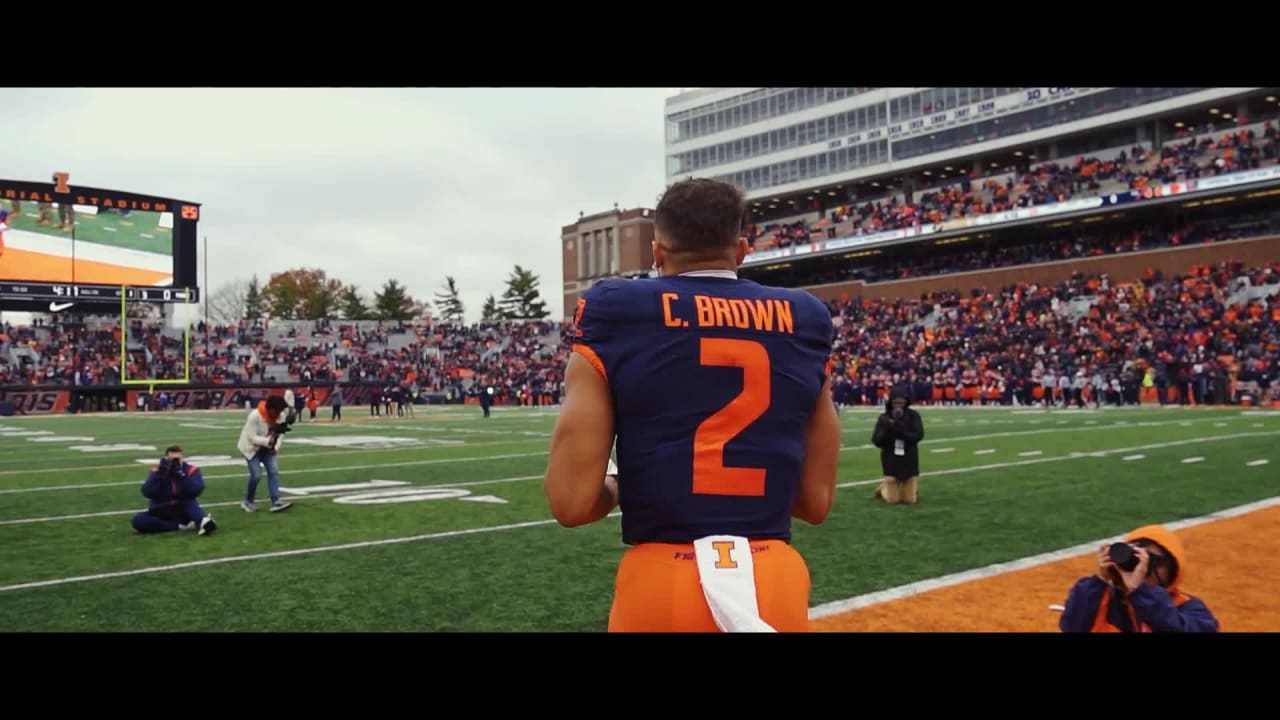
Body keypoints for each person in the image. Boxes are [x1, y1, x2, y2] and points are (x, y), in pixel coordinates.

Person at [543, 177, 841, 633]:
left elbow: (572, 504)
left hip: (664, 582)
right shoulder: (804, 319)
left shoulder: (617, 310)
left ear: (657, 252)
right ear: (741, 251)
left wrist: (626, 486)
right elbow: (814, 502)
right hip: (771, 582)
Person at [1058, 524, 1218, 633]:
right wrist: (1100, 580)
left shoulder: (1189, 609)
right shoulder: (1102, 598)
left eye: (1152, 560)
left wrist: (1140, 591)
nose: (1142, 566)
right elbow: (1072, 626)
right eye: (1136, 557)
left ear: (1172, 569)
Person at [131, 445, 217, 536]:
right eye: (172, 460)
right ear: (166, 459)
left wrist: (181, 475)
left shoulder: (191, 470)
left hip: (183, 509)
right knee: (138, 521)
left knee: (189, 501)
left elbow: (196, 490)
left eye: (177, 459)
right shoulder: (157, 471)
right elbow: (147, 492)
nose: (175, 462)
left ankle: (203, 521)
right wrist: (160, 474)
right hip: (161, 509)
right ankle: (180, 526)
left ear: (182, 458)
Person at [237, 394, 294, 513]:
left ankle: (276, 501)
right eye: (278, 411)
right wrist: (269, 442)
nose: (280, 414)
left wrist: (275, 448)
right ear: (271, 409)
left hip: (267, 448)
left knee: (273, 471)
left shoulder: (280, 416)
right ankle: (248, 501)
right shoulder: (255, 416)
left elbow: (281, 434)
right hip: (251, 448)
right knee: (256, 475)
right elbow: (251, 437)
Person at [871, 387, 925, 504]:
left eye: (901, 402)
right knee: (892, 500)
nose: (898, 405)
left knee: (910, 501)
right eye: (895, 403)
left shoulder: (913, 416)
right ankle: (883, 488)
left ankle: (909, 488)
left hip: (909, 457)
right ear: (891, 402)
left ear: (906, 402)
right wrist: (886, 429)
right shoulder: (884, 418)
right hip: (891, 457)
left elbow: (918, 435)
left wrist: (900, 431)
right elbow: (876, 441)